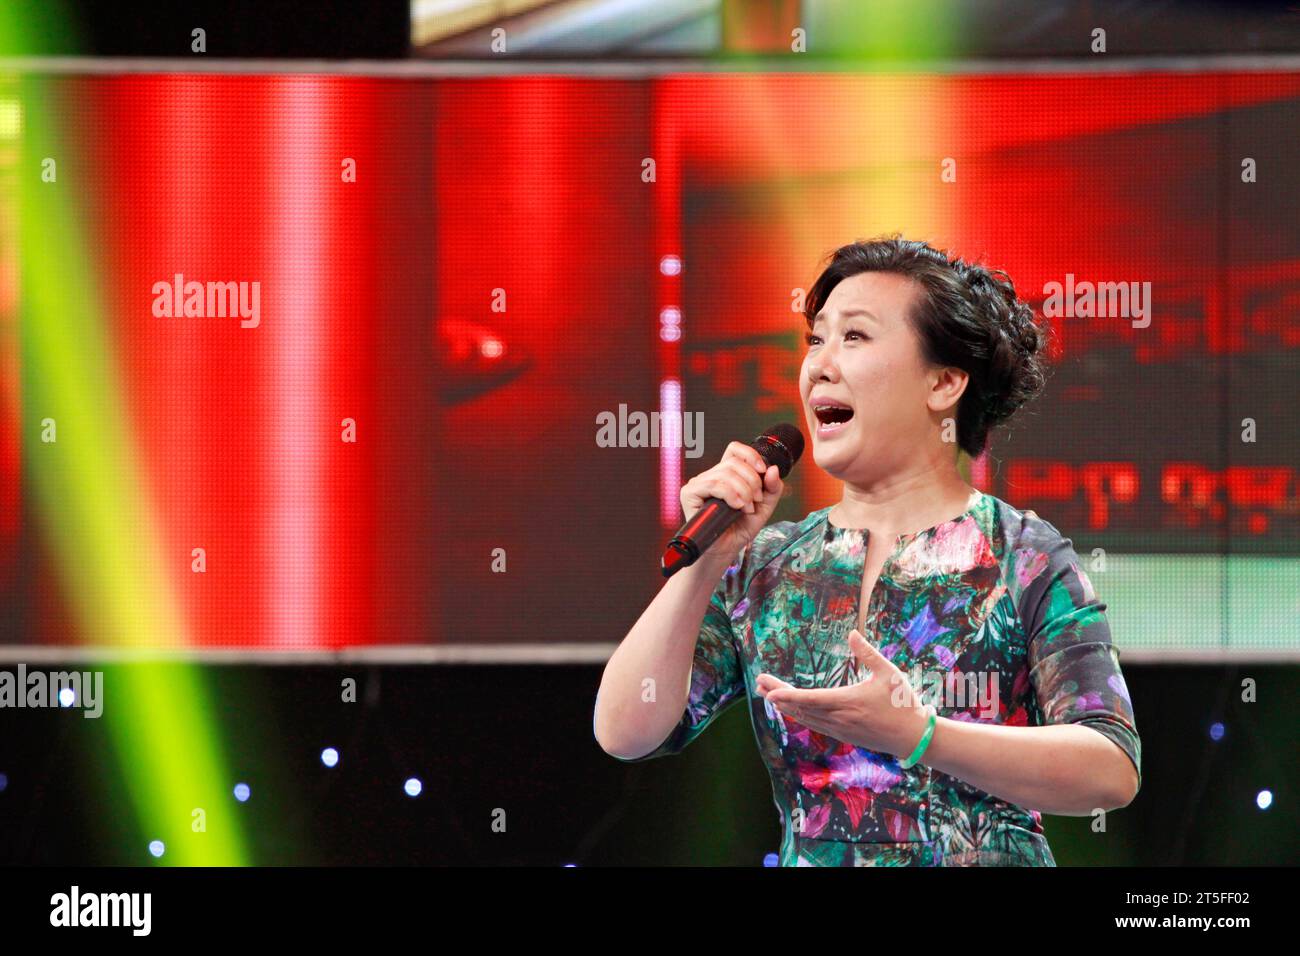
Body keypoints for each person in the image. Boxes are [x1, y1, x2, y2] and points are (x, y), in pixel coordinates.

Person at [593, 236, 1141, 866]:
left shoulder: (1023, 554)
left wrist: (921, 735)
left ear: (943, 382)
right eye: (816, 339)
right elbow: (626, 732)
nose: (820, 365)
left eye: (854, 337)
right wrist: (705, 567)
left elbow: (1111, 768)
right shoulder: (767, 563)